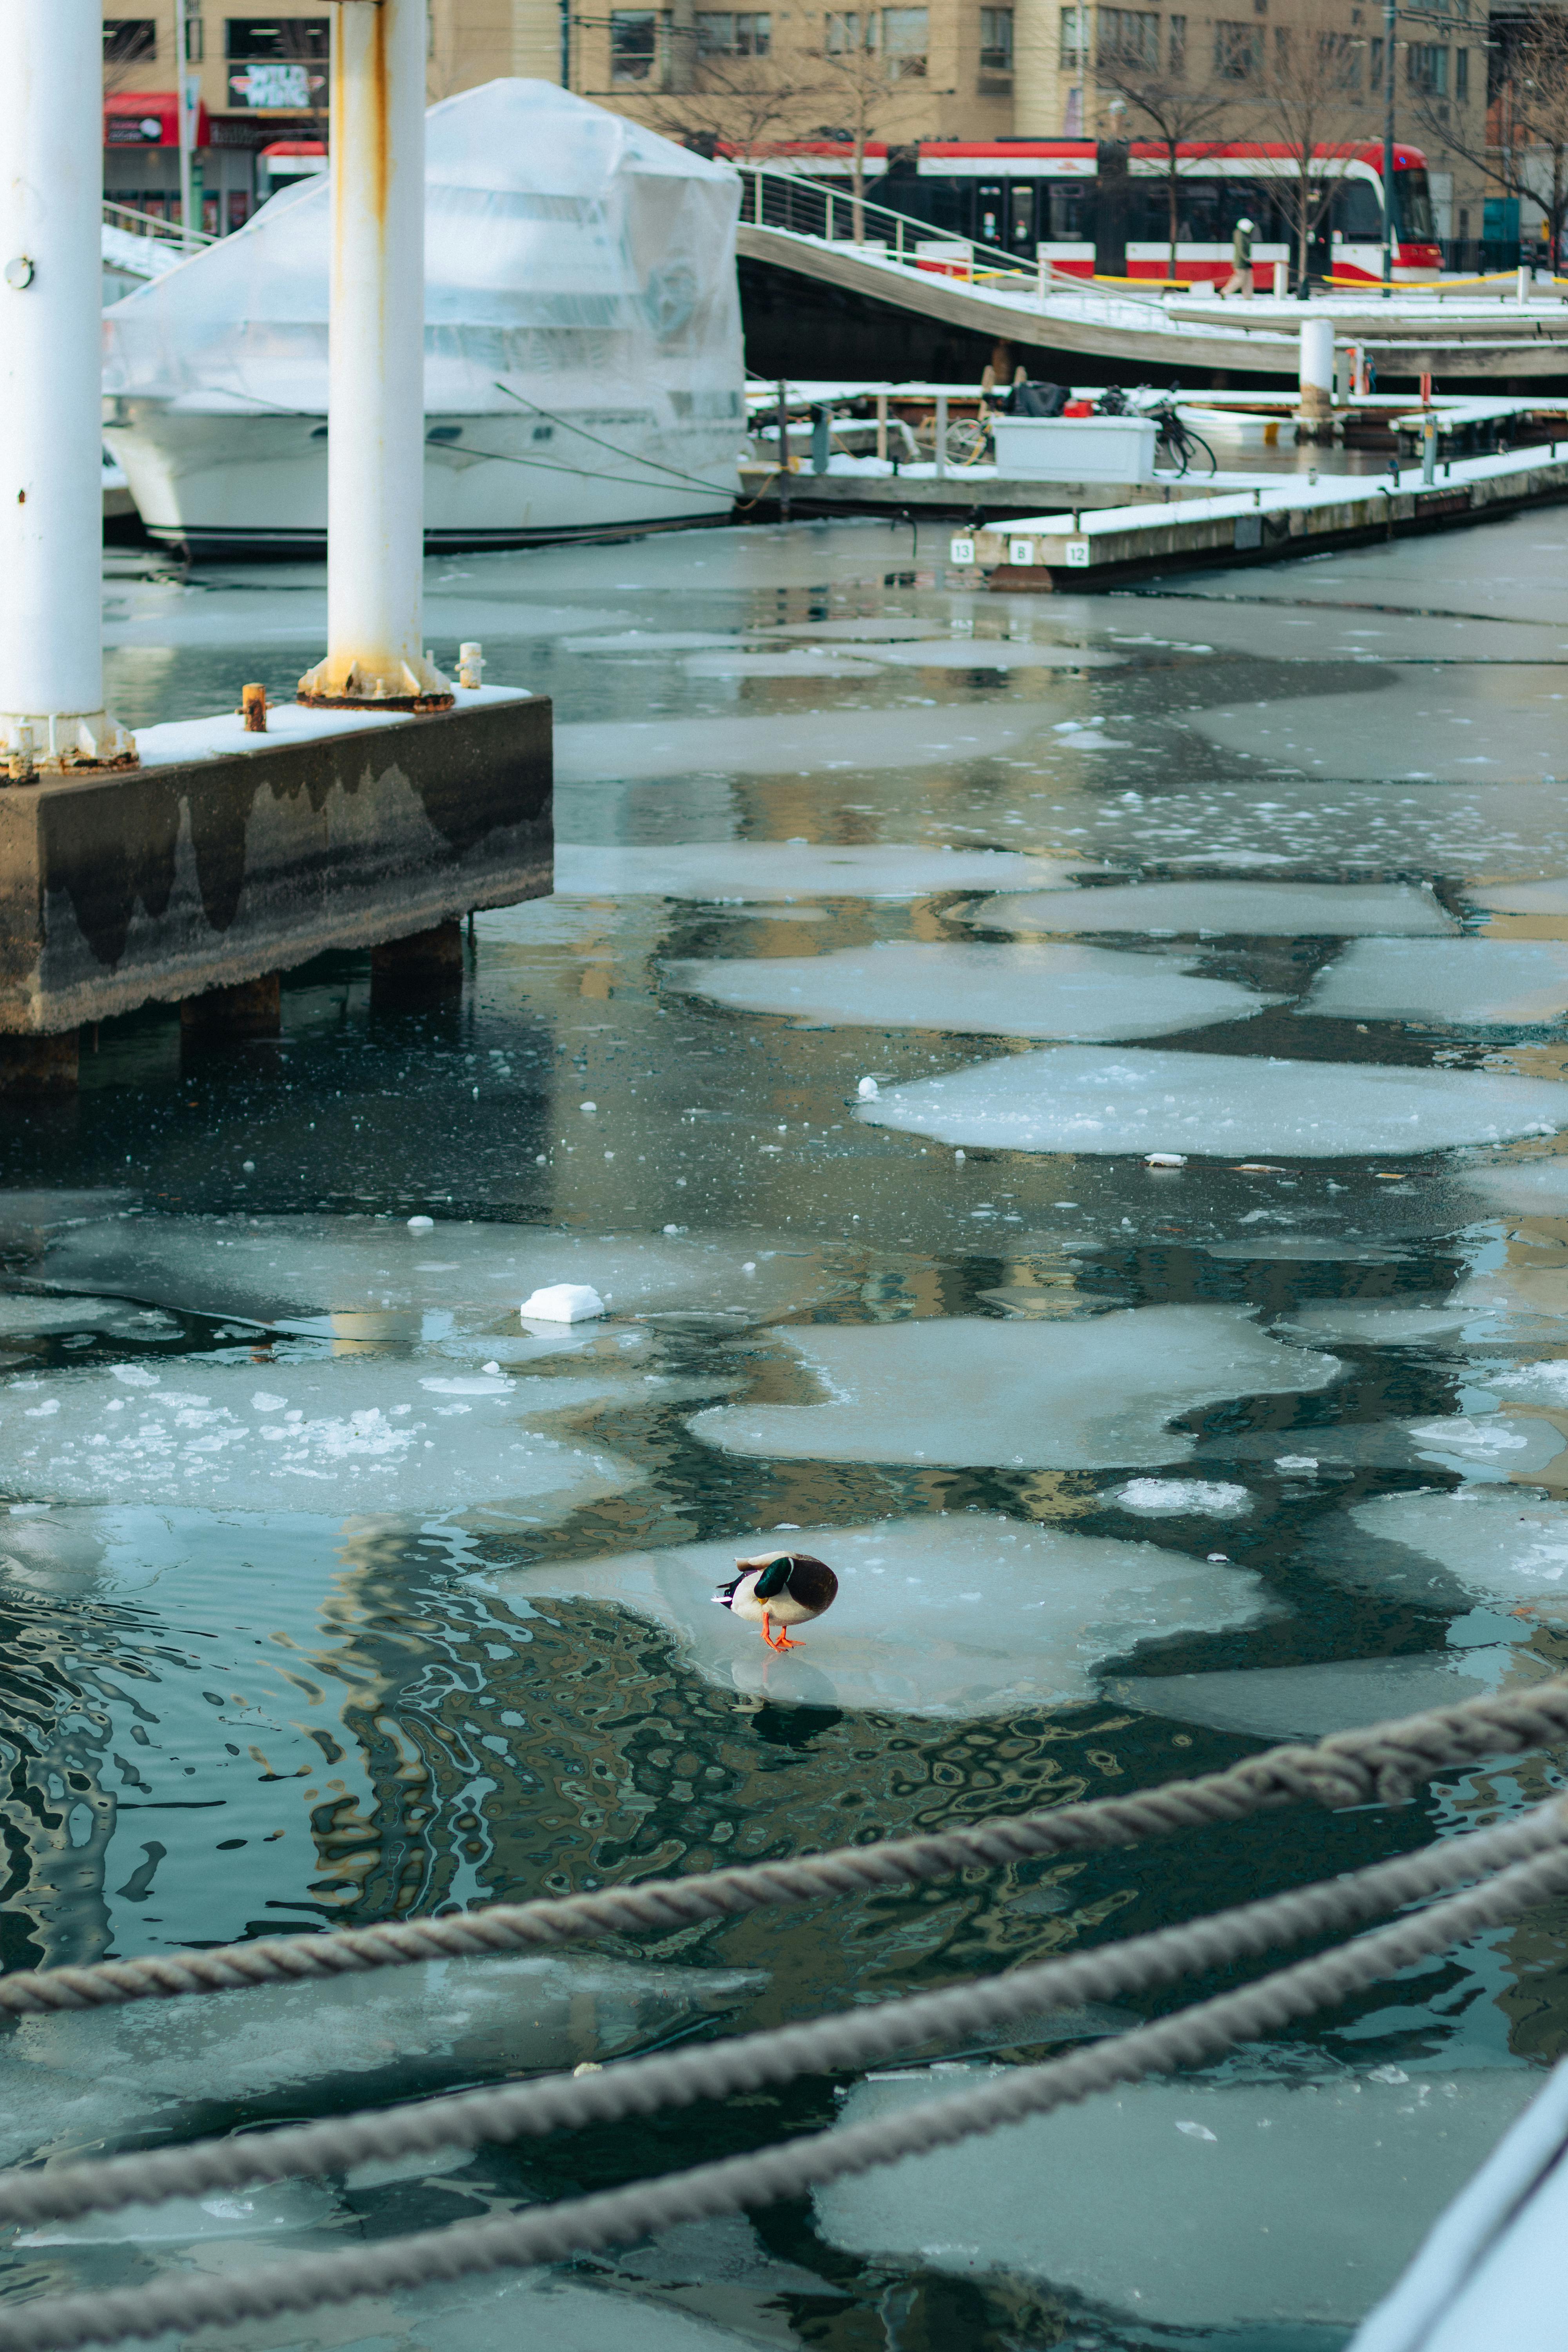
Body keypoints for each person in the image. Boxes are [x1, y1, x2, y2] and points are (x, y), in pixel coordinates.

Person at [1219, 216, 1255, 299]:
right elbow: (1241, 248)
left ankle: (1248, 297)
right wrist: (1246, 258)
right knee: (1240, 280)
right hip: (1241, 262)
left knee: (1248, 280)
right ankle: (1224, 292)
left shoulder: (1243, 235)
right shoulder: (1240, 235)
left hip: (1244, 262)